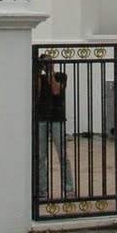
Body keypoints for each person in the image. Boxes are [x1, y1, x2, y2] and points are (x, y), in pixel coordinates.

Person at [36, 62, 74, 199]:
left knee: (63, 155)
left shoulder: (61, 76)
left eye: (49, 64)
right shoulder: (38, 79)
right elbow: (36, 93)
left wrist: (50, 73)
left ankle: (69, 189)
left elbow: (56, 90)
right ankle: (42, 190)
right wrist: (38, 73)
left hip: (57, 119)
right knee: (40, 157)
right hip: (41, 119)